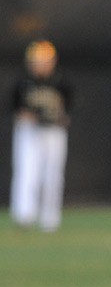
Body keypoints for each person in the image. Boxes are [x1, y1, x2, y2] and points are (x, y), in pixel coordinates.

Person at [10, 40, 74, 232]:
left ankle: (50, 219)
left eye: (43, 61)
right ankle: (24, 216)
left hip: (54, 132)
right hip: (29, 131)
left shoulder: (61, 82)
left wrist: (57, 117)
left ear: (52, 61)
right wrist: (32, 116)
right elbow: (15, 111)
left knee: (53, 175)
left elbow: (68, 111)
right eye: (36, 61)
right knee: (27, 172)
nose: (39, 65)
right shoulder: (23, 83)